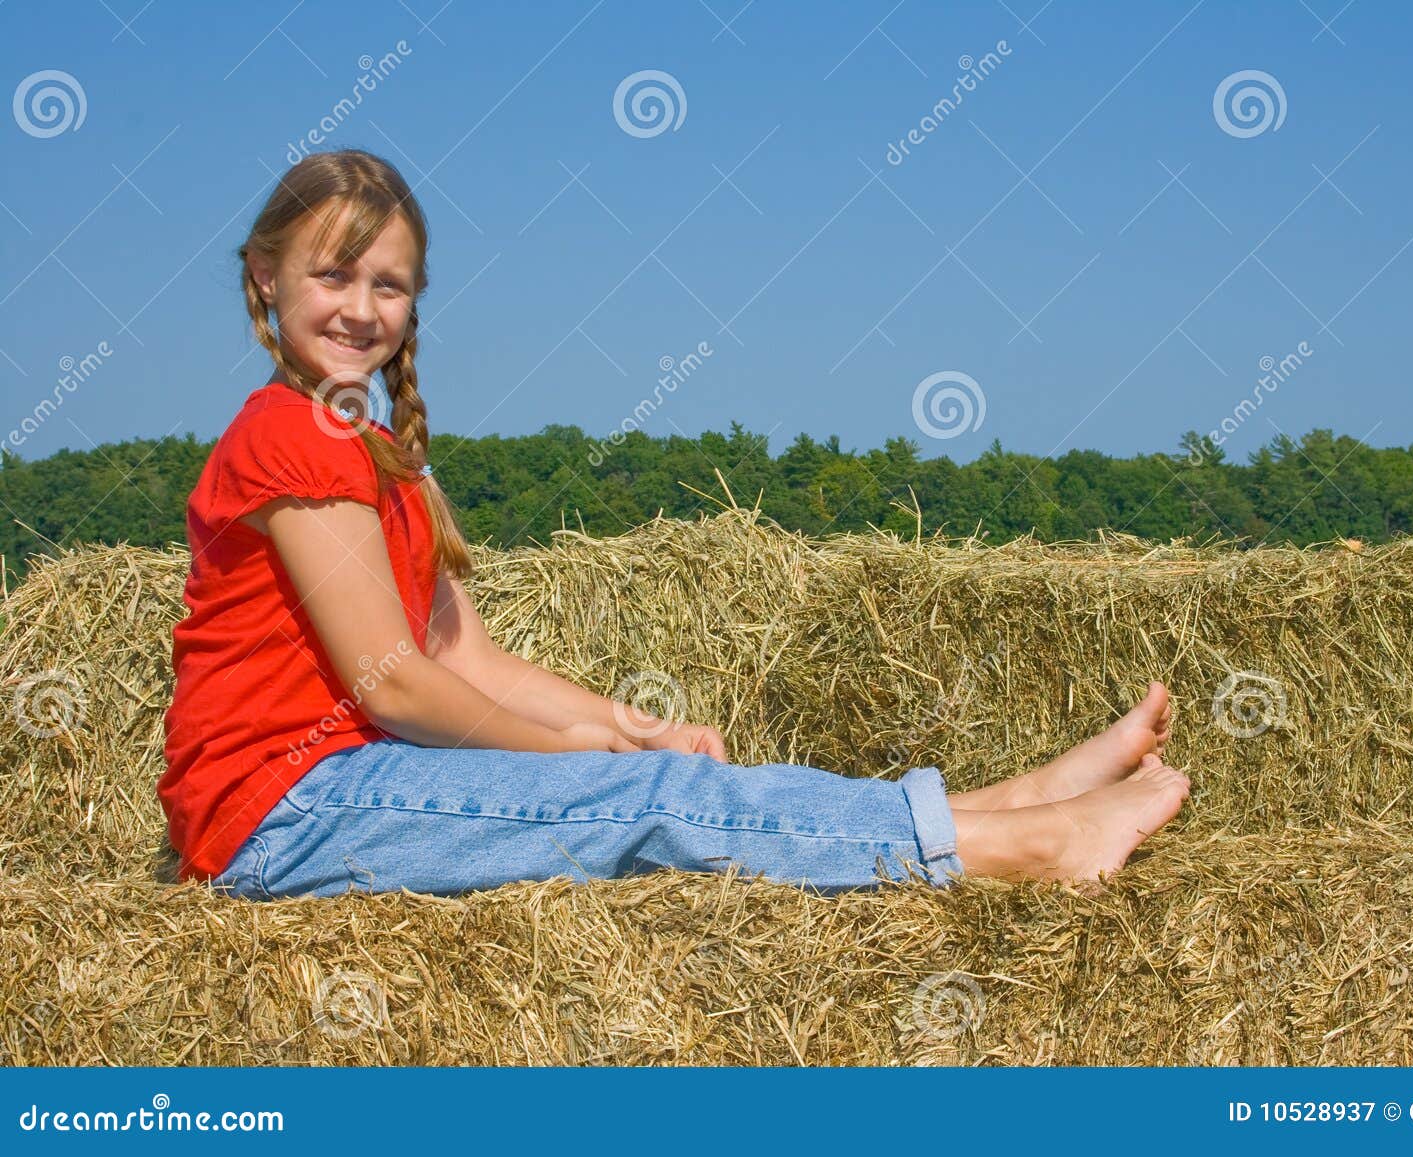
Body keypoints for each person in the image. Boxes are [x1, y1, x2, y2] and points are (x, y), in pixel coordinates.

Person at [158, 149, 1191, 902]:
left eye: (386, 284)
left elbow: (461, 651)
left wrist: (616, 722)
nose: (358, 309)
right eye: (330, 276)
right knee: (642, 799)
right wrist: (571, 752)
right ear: (265, 275)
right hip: (281, 811)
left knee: (659, 776)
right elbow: (393, 681)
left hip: (348, 783)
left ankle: (1006, 804)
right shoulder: (285, 435)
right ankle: (1033, 846)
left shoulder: (374, 449)